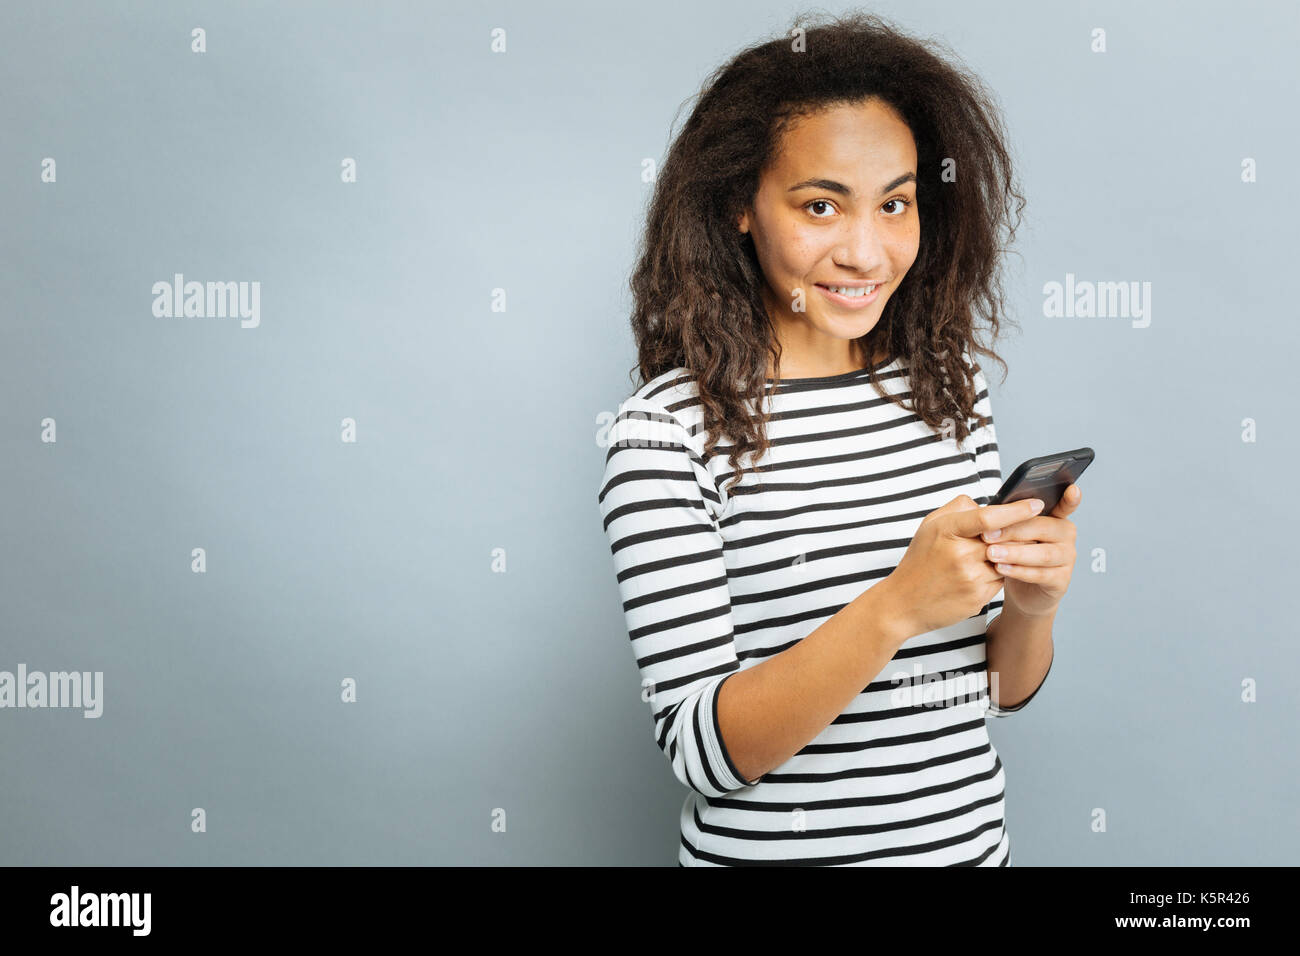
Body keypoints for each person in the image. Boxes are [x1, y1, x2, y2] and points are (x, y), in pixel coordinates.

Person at [596, 11, 1082, 866]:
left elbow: (998, 691)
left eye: (895, 203)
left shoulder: (947, 386)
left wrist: (1034, 605)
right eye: (821, 205)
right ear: (739, 207)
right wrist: (897, 605)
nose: (866, 251)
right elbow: (708, 755)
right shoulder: (662, 435)